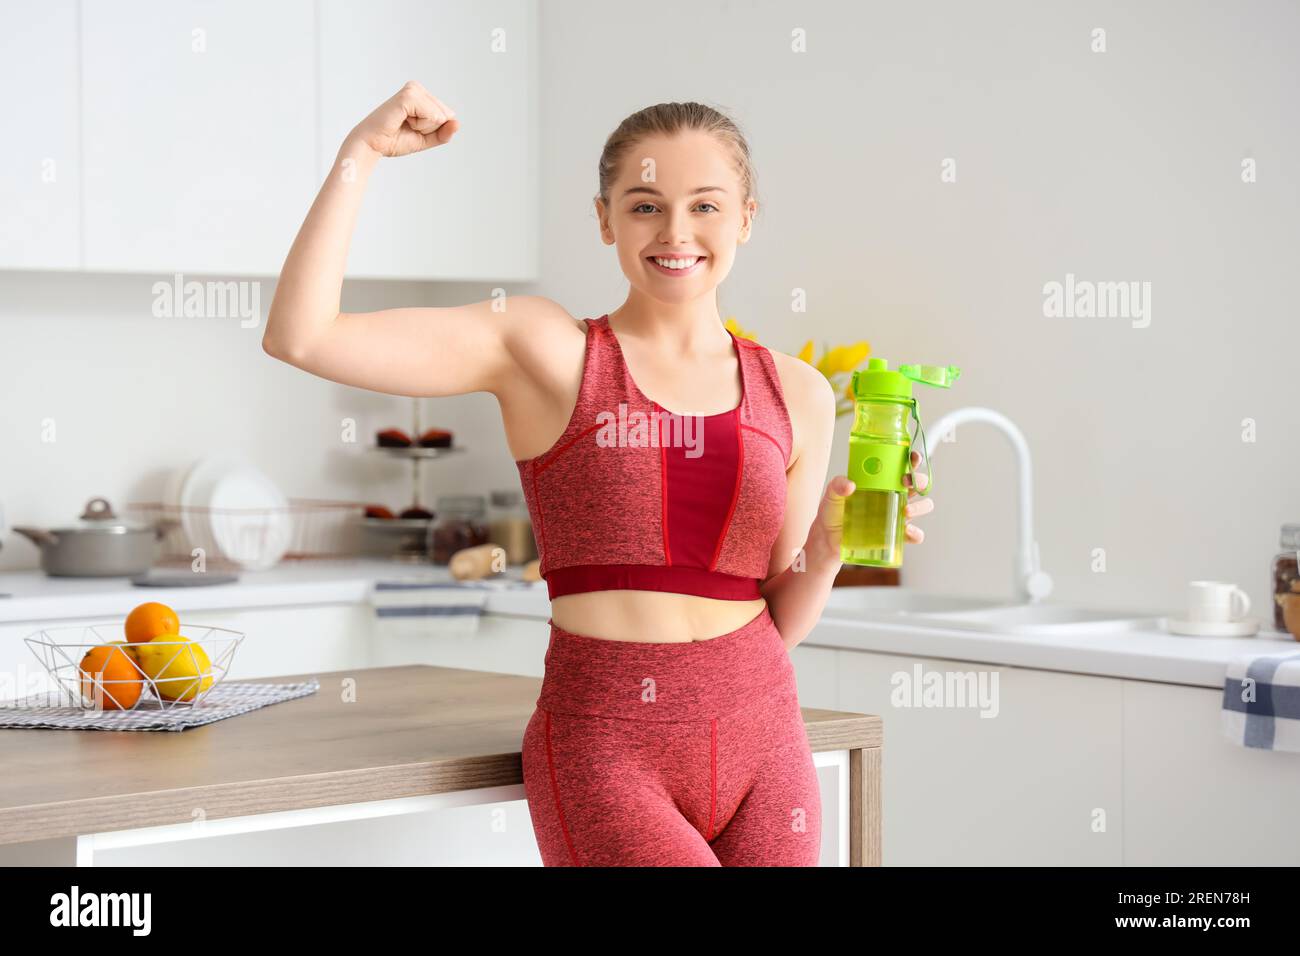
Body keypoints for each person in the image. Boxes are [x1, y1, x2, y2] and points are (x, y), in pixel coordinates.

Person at [263, 82, 934, 866]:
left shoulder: (798, 393)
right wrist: (362, 153)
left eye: (706, 205)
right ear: (605, 218)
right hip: (610, 748)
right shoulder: (547, 351)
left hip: (766, 740)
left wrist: (825, 553)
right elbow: (301, 335)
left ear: (746, 218)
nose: (676, 231)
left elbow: (779, 618)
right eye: (646, 205)